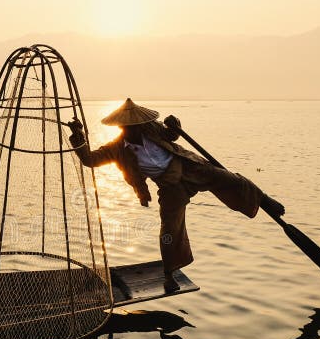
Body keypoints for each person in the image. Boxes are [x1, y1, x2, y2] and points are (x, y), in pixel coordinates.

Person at [68, 98, 284, 292]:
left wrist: (175, 124)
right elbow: (89, 159)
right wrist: (78, 135)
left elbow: (171, 134)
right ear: (123, 128)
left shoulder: (152, 128)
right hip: (170, 186)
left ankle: (264, 199)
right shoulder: (117, 148)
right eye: (131, 127)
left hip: (189, 166)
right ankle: (169, 273)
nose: (136, 129)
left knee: (232, 180)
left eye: (138, 125)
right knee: (170, 229)